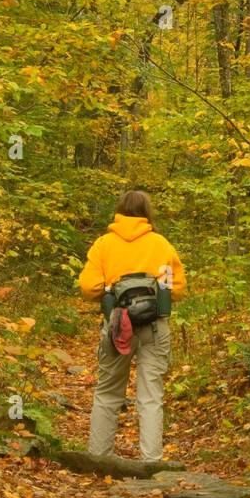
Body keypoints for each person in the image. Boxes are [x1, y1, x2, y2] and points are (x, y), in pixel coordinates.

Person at [78, 190, 186, 461]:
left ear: (120, 211)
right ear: (147, 213)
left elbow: (87, 287)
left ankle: (98, 459)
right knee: (151, 396)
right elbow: (178, 288)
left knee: (108, 392)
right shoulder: (161, 244)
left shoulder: (104, 244)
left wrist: (111, 291)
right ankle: (151, 462)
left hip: (117, 327)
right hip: (154, 327)